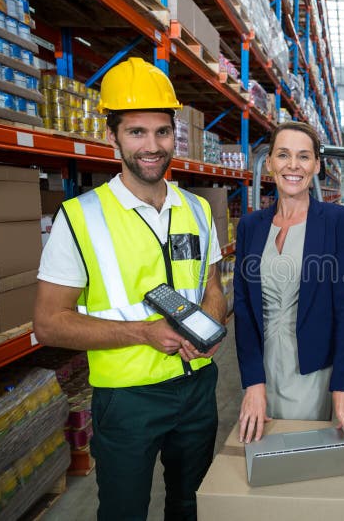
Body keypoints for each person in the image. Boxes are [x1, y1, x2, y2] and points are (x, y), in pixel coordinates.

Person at [33, 57, 226, 521]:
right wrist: (143, 333)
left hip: (197, 386)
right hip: (127, 398)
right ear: (112, 136)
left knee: (191, 502)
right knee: (124, 512)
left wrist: (210, 326)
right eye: (136, 132)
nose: (152, 146)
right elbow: (48, 323)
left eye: (162, 131)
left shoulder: (197, 209)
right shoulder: (79, 217)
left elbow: (213, 286)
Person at [234, 121, 344, 444]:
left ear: (316, 166)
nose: (293, 165)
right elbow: (243, 308)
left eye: (303, 157)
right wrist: (252, 382)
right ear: (269, 163)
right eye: (283, 155)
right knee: (261, 457)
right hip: (262, 369)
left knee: (300, 459)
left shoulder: (337, 221)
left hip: (311, 372)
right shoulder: (251, 226)